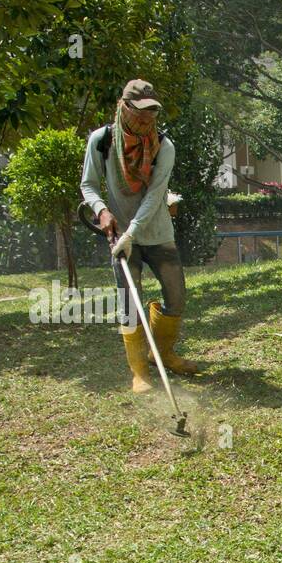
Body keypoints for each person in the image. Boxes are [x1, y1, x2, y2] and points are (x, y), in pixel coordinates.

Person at [80, 79, 196, 393]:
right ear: (125, 107)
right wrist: (101, 210)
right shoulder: (101, 141)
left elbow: (154, 196)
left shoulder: (164, 147)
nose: (146, 120)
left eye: (152, 113)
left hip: (157, 233)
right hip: (119, 237)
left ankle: (164, 354)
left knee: (176, 296)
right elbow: (88, 185)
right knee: (129, 304)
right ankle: (140, 372)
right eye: (140, 112)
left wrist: (132, 232)